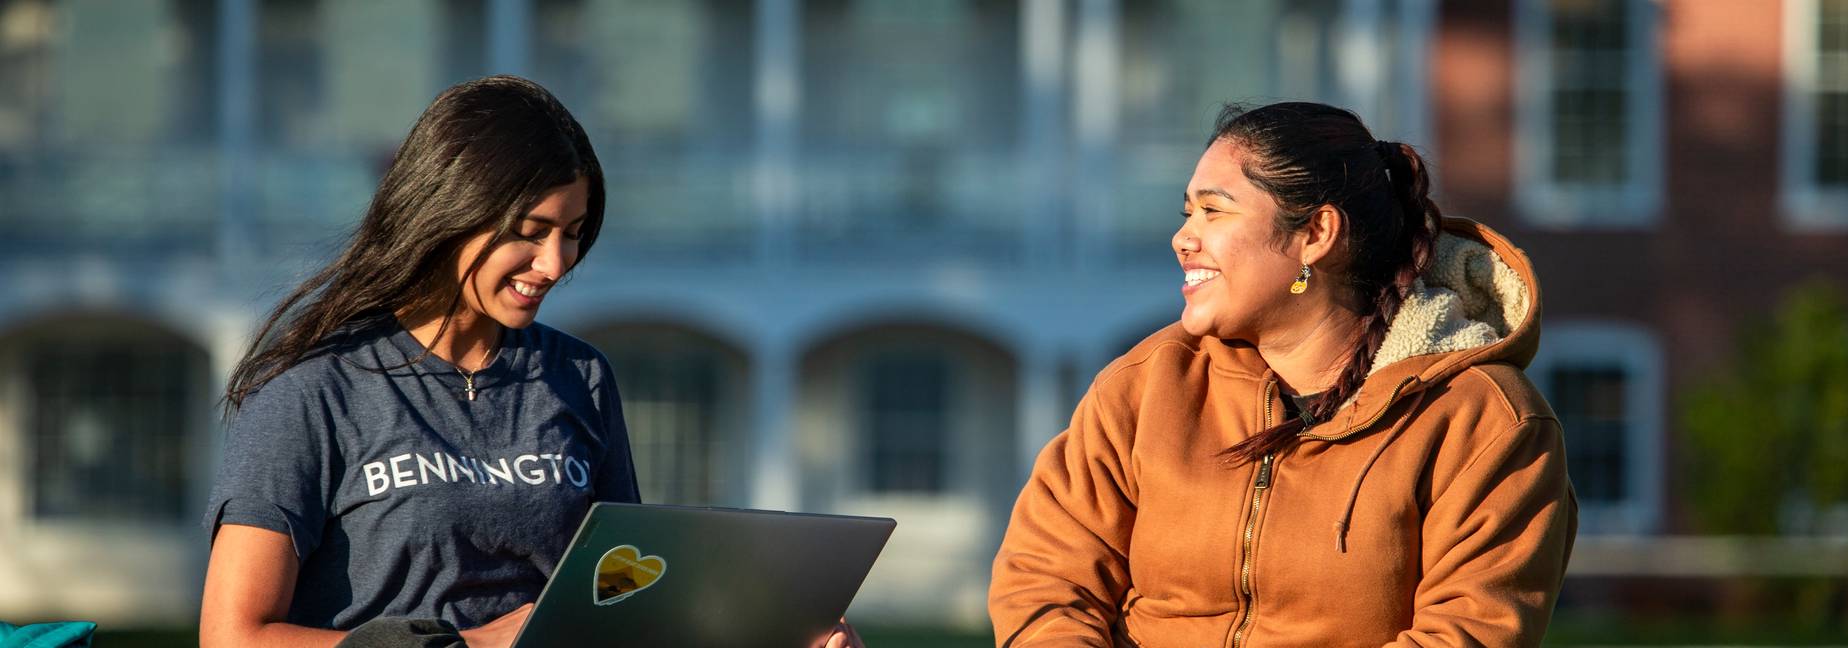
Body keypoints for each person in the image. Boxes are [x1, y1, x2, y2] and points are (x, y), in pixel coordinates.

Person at [198, 75, 863, 648]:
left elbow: (626, 604)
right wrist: (462, 645)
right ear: (450, 209)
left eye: (573, 234)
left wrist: (777, 633)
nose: (556, 265)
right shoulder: (314, 393)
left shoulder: (581, 378)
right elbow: (233, 635)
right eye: (531, 232)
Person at [989, 101, 1576, 647]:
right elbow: (1045, 582)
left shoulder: (1484, 420)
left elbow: (1468, 632)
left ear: (1316, 234)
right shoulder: (1146, 385)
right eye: (1187, 211)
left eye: (1213, 210)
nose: (1182, 238)